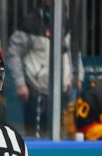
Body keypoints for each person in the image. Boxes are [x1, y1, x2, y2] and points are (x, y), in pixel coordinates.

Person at [5, 0, 84, 138]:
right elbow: (13, 54)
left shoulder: (66, 22)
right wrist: (20, 83)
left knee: (62, 136)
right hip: (37, 91)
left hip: (63, 92)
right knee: (35, 137)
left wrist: (78, 75)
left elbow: (73, 52)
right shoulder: (31, 22)